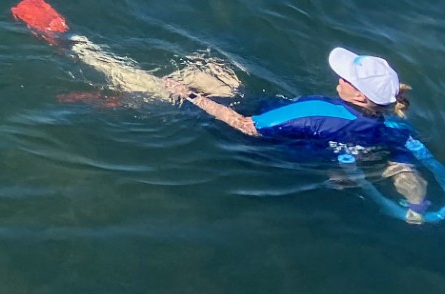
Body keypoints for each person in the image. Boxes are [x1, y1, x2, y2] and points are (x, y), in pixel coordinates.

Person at [165, 48, 434, 224]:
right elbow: (403, 169)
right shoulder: (395, 129)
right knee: (215, 71)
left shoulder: (317, 112)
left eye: (345, 78)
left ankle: (128, 90)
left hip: (255, 140)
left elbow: (245, 126)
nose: (339, 78)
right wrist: (416, 205)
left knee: (188, 77)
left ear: (360, 96)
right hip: (304, 159)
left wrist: (189, 96)